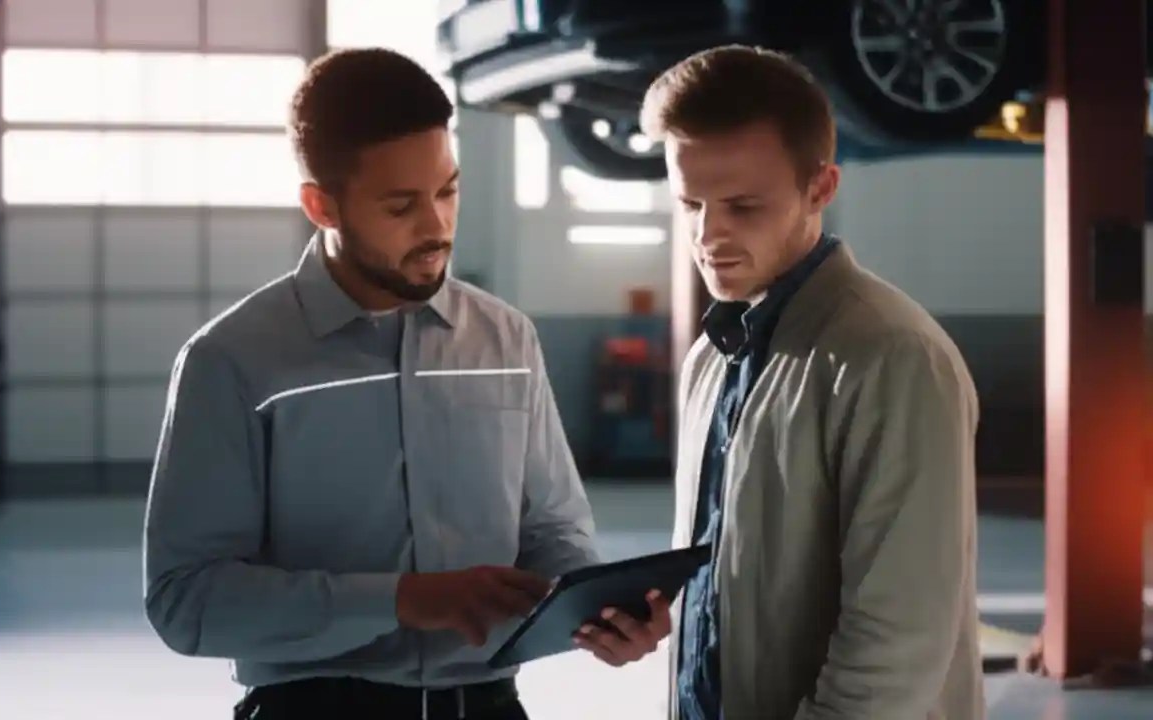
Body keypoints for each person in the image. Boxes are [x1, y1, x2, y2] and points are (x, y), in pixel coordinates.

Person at [143, 48, 602, 720]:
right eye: (400, 206)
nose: (436, 226)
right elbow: (187, 602)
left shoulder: (507, 340)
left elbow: (554, 530)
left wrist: (592, 606)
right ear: (322, 206)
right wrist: (401, 598)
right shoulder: (234, 361)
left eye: (448, 191)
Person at [574, 46, 985, 718]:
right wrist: (655, 616)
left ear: (820, 189)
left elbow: (897, 641)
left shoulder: (892, 356)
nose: (710, 235)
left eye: (742, 205)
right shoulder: (715, 356)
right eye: (690, 203)